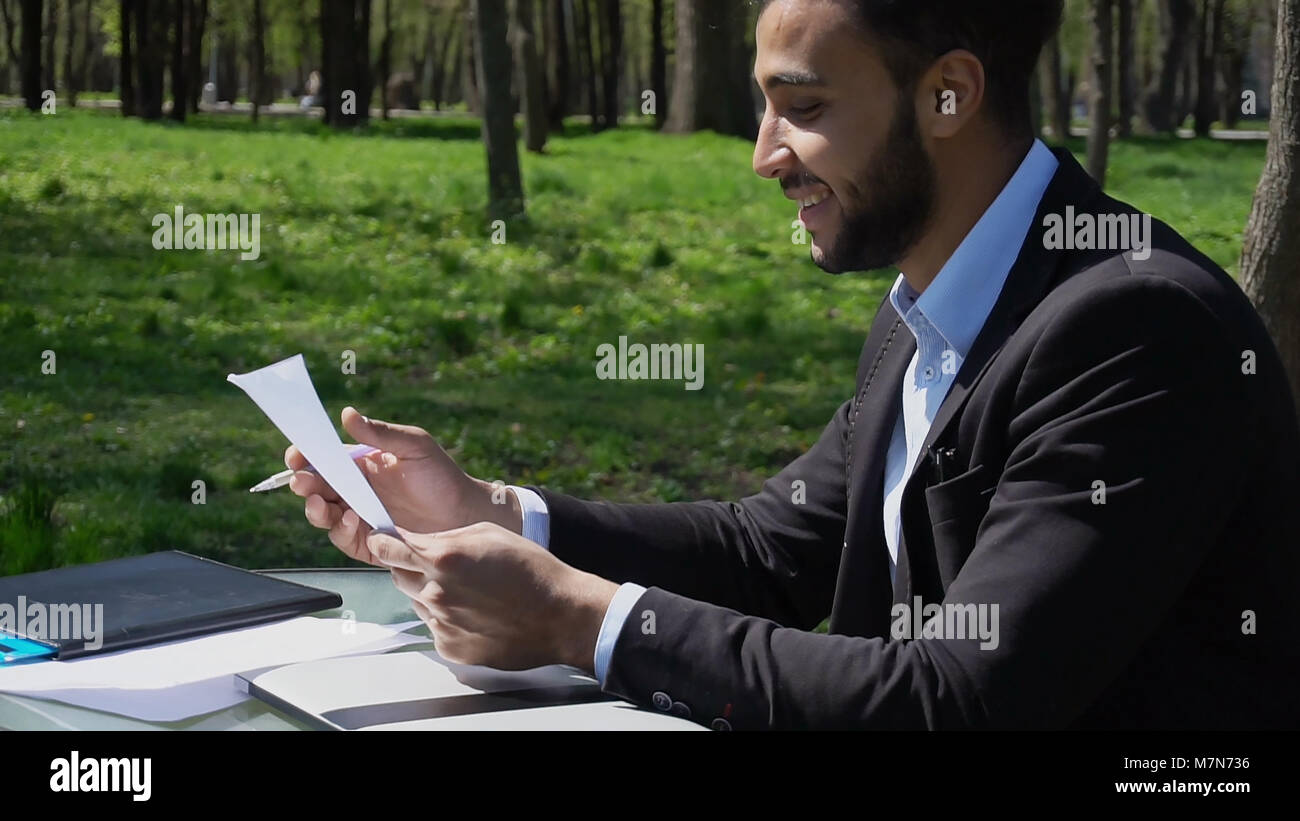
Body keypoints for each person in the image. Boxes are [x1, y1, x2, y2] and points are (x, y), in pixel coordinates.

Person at [286, 0, 1300, 729]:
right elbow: (770, 549)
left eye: (800, 107)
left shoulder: (1135, 325)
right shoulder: (937, 299)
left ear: (948, 94)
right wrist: (493, 512)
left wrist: (572, 615)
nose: (763, 155)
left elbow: (968, 697)